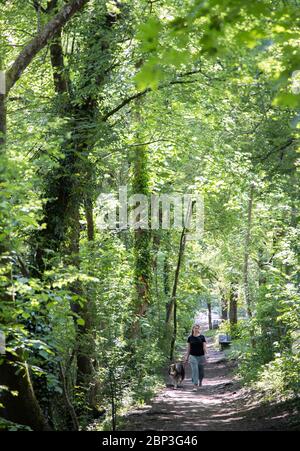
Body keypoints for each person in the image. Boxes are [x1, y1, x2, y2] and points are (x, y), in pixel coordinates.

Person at [184, 324, 207, 391]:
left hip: (201, 356)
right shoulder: (190, 338)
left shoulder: (202, 337)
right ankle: (195, 385)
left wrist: (206, 355)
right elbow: (188, 349)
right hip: (192, 356)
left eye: (197, 328)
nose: (196, 329)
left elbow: (204, 347)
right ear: (193, 329)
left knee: (201, 372)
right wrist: (186, 357)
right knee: (195, 370)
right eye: (195, 328)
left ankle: (200, 381)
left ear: (199, 329)